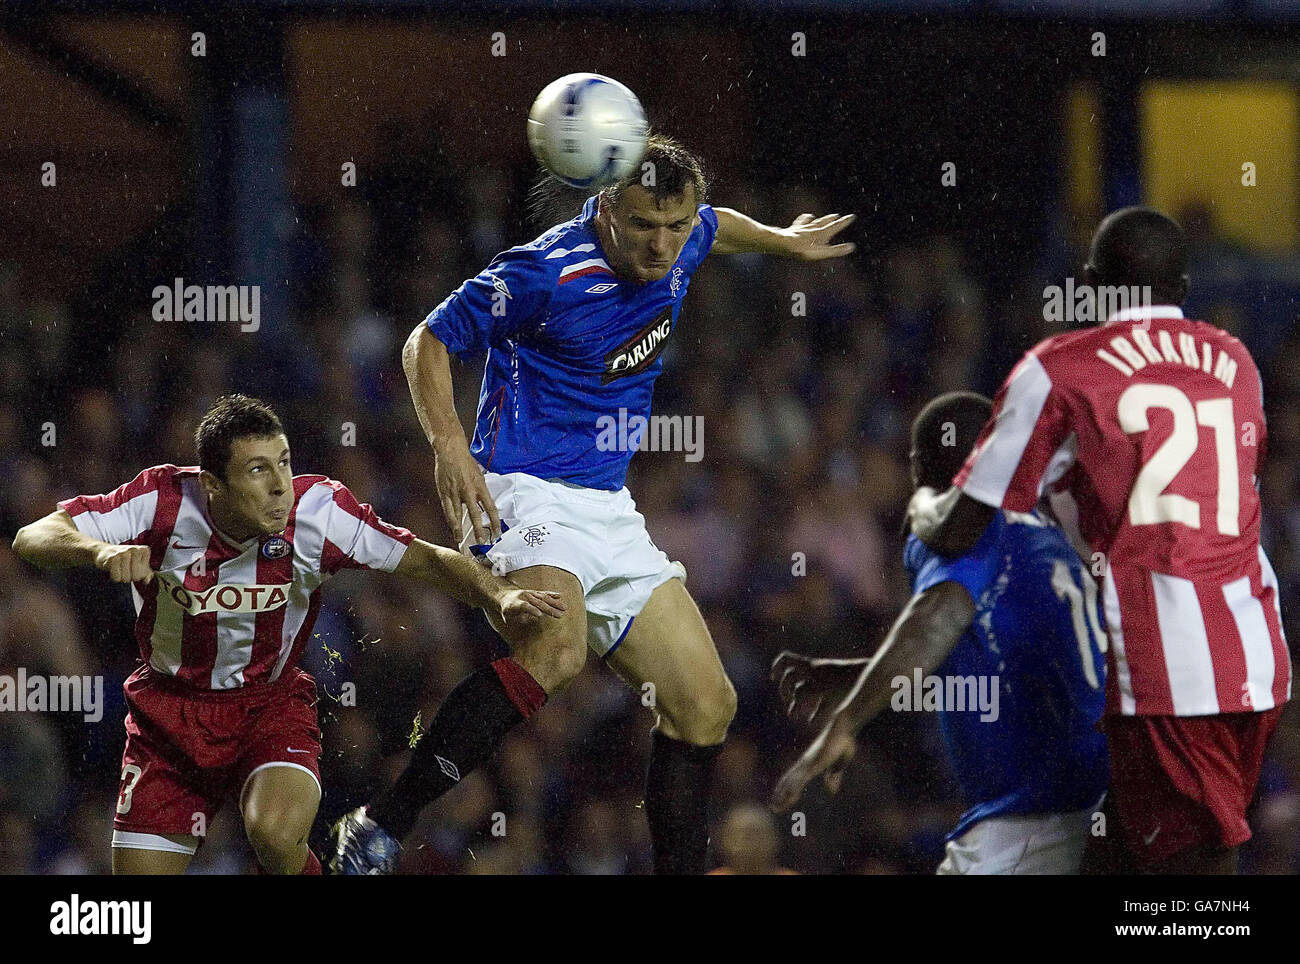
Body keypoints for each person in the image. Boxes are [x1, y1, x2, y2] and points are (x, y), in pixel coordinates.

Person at [333, 133, 856, 874]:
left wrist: (780, 240)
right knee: (556, 651)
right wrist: (450, 448)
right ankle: (381, 823)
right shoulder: (545, 271)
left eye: (677, 226)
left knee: (707, 705)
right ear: (604, 204)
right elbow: (428, 342)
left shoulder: (686, 232)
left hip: (608, 506)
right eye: (645, 225)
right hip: (523, 488)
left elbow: (718, 225)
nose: (664, 243)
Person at [11, 394, 563, 875]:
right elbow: (33, 536)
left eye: (283, 462)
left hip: (268, 706)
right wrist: (99, 550)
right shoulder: (163, 502)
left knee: (274, 834)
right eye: (256, 470)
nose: (279, 486)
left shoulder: (319, 512)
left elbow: (427, 560)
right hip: (168, 716)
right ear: (213, 485)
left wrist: (498, 593)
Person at [908, 208, 1290, 874]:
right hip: (1254, 658)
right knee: (1116, 851)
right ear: (1187, 282)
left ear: (1088, 284)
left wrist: (919, 507)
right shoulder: (1235, 360)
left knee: (1191, 876)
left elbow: (963, 524)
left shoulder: (1060, 369)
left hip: (1166, 673)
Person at [770, 392, 1108, 873]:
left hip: (1032, 817)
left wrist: (848, 720)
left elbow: (940, 613)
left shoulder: (959, 530)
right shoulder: (1040, 531)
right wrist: (862, 678)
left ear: (923, 465)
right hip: (1100, 793)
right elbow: (988, 658)